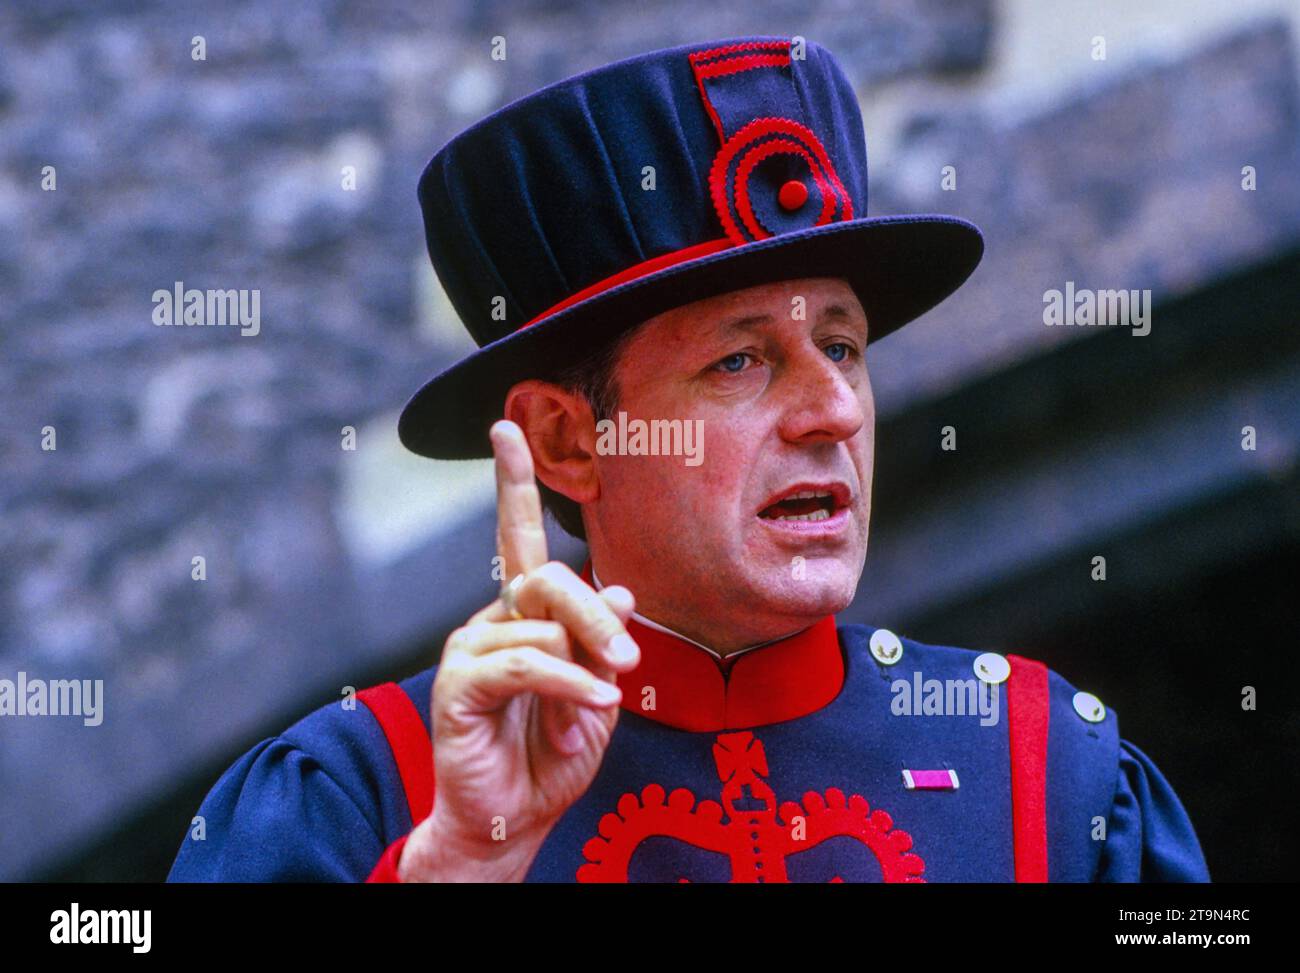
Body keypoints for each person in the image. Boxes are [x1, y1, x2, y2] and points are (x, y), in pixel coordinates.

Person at [168, 35, 1209, 883]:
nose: (832, 409)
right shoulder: (349, 795)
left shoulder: (1056, 775)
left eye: (841, 346)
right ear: (568, 440)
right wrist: (454, 867)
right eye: (741, 360)